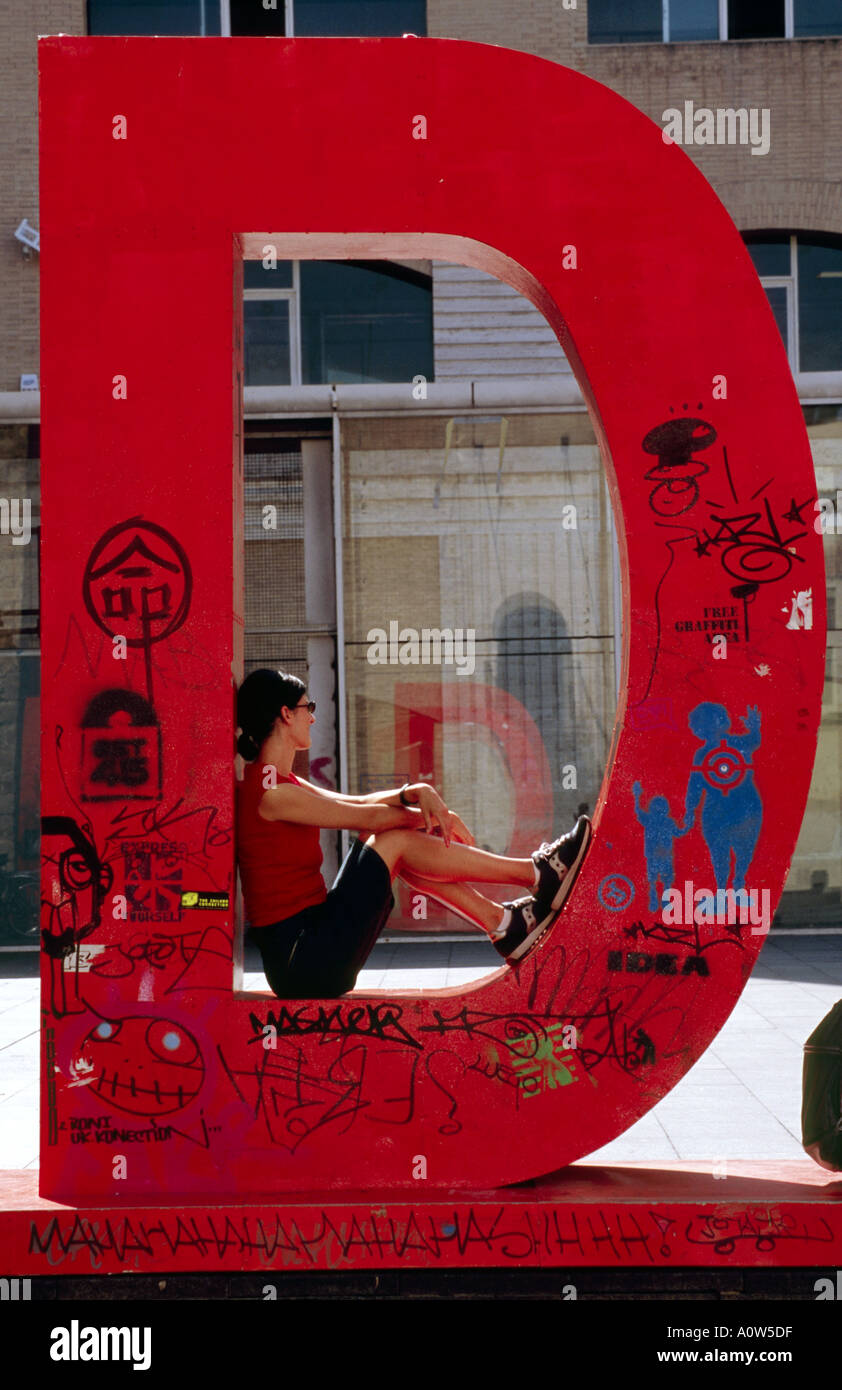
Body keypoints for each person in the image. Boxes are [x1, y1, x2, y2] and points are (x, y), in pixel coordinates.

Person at [236, 668, 591, 1000]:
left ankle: (507, 923)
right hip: (303, 961)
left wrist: (416, 793)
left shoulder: (280, 783)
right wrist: (434, 818)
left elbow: (361, 800)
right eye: (306, 708)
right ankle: (534, 875)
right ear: (285, 714)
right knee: (391, 840)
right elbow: (368, 817)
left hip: (313, 944)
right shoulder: (272, 794)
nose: (312, 717)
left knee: (392, 845)